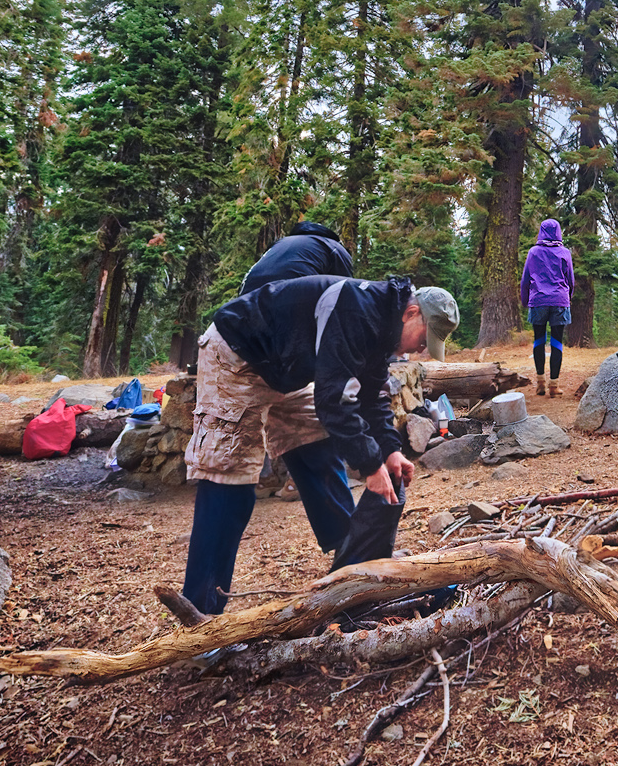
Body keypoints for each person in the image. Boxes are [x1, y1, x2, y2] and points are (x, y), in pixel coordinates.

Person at [179, 274, 459, 618]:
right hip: (238, 356)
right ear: (410, 313)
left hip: (284, 368)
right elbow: (334, 402)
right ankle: (201, 616)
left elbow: (371, 395)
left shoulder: (382, 325)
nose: (420, 350)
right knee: (230, 481)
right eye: (422, 340)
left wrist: (389, 450)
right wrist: (371, 466)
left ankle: (353, 562)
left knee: (317, 446)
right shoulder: (358, 310)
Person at [234, 219, 358, 550]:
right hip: (285, 332)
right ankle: (348, 540)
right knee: (314, 428)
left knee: (298, 427)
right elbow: (343, 301)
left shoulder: (279, 248)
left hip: (244, 337)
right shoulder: (333, 249)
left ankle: (346, 542)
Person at [520, 218, 574, 398]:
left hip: (538, 301)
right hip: (559, 300)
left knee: (539, 341)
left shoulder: (533, 252)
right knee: (557, 342)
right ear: (558, 231)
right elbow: (571, 280)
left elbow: (525, 280)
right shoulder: (564, 252)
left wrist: (525, 300)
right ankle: (554, 386)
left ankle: (540, 383)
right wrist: (567, 297)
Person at [240, 219, 353, 292]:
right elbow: (345, 288)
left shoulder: (281, 242)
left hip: (246, 295)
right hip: (291, 292)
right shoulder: (333, 245)